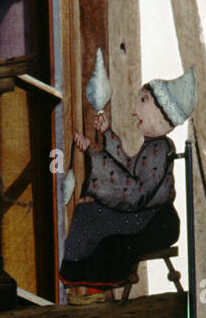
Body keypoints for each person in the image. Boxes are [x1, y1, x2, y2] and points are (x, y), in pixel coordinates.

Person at [59, 66, 196, 292]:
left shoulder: (161, 148)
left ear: (161, 112)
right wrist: (106, 136)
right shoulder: (153, 146)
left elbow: (136, 194)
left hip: (155, 221)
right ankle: (73, 279)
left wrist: (95, 158)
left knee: (96, 222)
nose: (135, 112)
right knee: (88, 214)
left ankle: (88, 287)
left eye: (143, 101)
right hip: (144, 213)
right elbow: (128, 169)